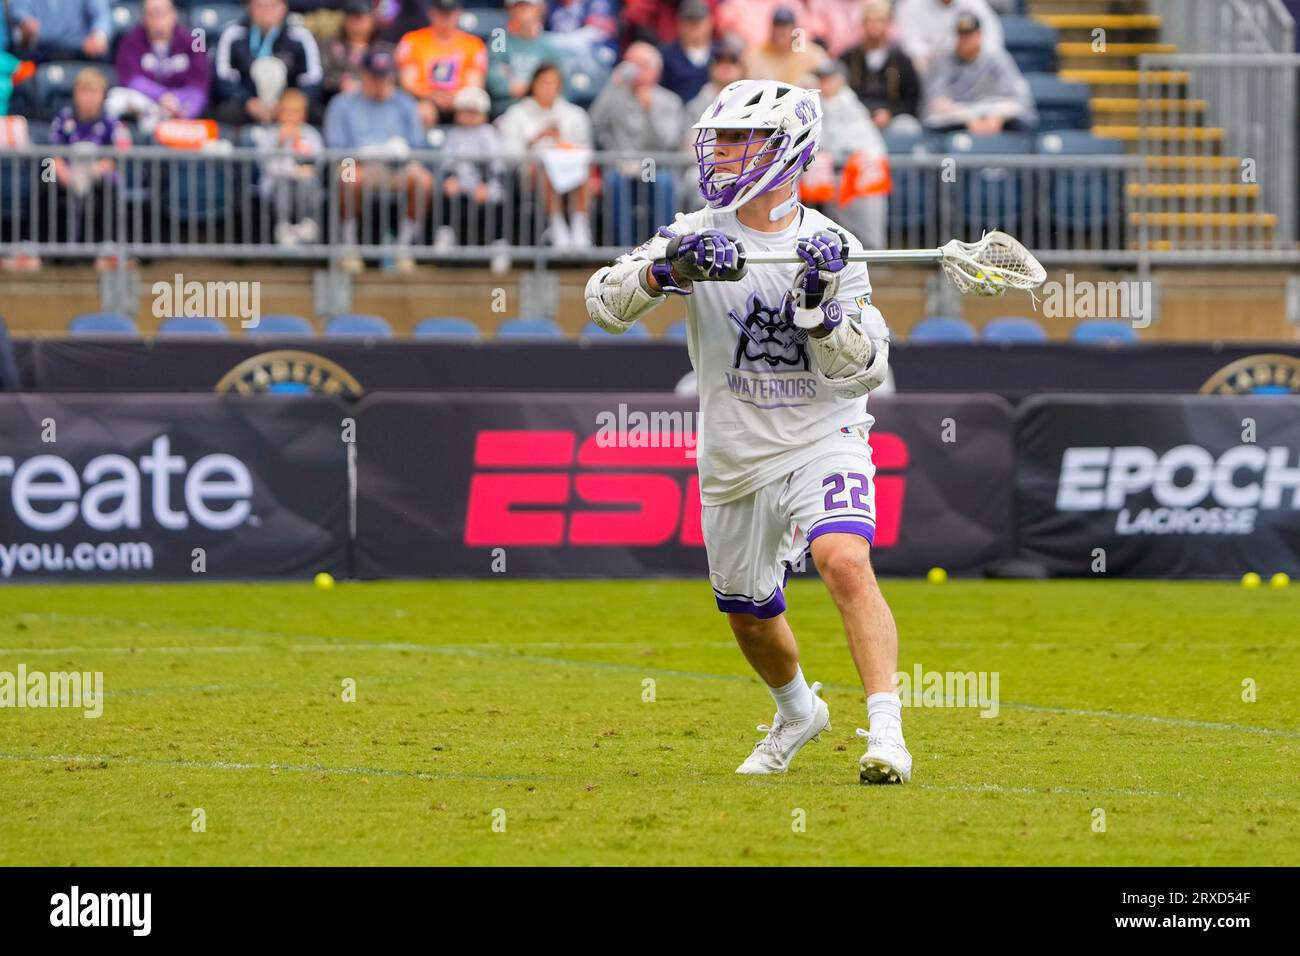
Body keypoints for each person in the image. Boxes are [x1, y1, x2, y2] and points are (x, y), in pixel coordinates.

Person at [584, 79, 910, 784]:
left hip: (822, 434)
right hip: (734, 454)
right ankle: (797, 711)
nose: (723, 153)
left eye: (739, 140)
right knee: (747, 614)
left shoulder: (834, 245)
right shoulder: (695, 231)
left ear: (784, 149)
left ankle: (886, 732)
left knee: (844, 560)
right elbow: (602, 305)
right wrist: (668, 270)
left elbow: (859, 372)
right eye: (719, 139)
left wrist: (821, 310)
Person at [323, 47, 431, 272]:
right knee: (349, 176)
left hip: (395, 169)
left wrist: (400, 151)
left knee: (423, 180)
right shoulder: (343, 103)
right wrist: (365, 152)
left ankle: (404, 246)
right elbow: (335, 145)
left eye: (385, 77)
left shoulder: (405, 103)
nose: (380, 83)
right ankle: (349, 245)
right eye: (374, 77)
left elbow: (418, 145)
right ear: (363, 74)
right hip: (357, 164)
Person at [589, 42, 684, 246]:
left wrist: (650, 111)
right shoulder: (615, 95)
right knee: (614, 182)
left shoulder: (669, 100)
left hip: (655, 167)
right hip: (622, 167)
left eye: (640, 64)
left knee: (665, 182)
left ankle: (660, 247)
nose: (633, 69)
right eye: (629, 62)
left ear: (655, 71)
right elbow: (595, 120)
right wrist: (613, 84)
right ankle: (625, 250)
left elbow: (668, 142)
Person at [496, 61, 593, 248]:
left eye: (553, 82)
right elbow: (511, 154)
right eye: (544, 82)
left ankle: (580, 227)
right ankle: (557, 228)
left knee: (582, 169)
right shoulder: (516, 113)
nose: (549, 87)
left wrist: (562, 144)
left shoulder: (574, 114)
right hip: (528, 173)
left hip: (570, 169)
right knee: (545, 166)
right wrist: (536, 140)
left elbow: (586, 150)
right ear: (534, 84)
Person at [214, 0, 325, 126]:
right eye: (260, 5)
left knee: (317, 112)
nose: (266, 11)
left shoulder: (300, 35)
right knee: (226, 112)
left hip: (288, 106)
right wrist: (248, 101)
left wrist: (288, 104)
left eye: (272, 6)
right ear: (249, 7)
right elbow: (223, 76)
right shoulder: (233, 34)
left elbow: (314, 78)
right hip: (247, 104)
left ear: (284, 7)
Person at [922, 13, 1035, 133]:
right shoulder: (943, 60)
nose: (964, 40)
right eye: (961, 35)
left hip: (994, 116)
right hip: (957, 119)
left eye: (969, 35)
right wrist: (968, 118)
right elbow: (935, 103)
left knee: (1021, 120)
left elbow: (1019, 98)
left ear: (979, 35)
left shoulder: (997, 59)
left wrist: (998, 116)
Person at [107, 0, 209, 133]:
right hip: (145, 104)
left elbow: (199, 85)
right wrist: (161, 96)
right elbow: (130, 79)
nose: (157, 19)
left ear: (174, 14)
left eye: (162, 13)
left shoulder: (196, 41)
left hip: (182, 105)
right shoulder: (130, 40)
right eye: (152, 14)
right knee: (115, 100)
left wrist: (181, 106)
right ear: (144, 18)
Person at [394, 0, 487, 128]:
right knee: (424, 111)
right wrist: (432, 96)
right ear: (432, 13)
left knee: (473, 112)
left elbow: (475, 84)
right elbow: (408, 82)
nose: (445, 18)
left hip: (461, 101)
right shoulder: (413, 40)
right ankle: (421, 146)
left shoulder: (473, 44)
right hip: (425, 100)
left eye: (449, 13)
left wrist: (455, 98)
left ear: (458, 14)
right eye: (441, 13)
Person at [250, 87, 324, 246]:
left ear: (304, 114)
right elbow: (261, 161)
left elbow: (318, 160)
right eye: (286, 111)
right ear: (278, 113)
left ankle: (307, 221)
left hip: (304, 182)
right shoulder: (270, 134)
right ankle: (283, 225)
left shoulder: (311, 134)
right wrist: (279, 142)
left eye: (295, 111)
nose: (291, 116)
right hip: (276, 183)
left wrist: (302, 148)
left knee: (307, 182)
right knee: (283, 183)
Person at [437, 84, 505, 248]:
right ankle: (445, 235)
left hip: (486, 184)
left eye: (474, 112)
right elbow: (447, 161)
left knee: (496, 200)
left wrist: (484, 184)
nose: (469, 116)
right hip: (461, 185)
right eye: (465, 111)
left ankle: (499, 243)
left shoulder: (488, 133)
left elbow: (495, 163)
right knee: (446, 194)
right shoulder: (453, 134)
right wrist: (450, 178)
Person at [840, 0, 922, 135]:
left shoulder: (901, 59)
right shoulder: (849, 58)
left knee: (908, 127)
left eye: (879, 21)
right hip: (857, 119)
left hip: (892, 119)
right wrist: (863, 113)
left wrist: (890, 112)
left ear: (888, 23)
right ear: (863, 24)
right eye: (869, 21)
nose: (874, 26)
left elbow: (912, 98)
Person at [485, 0, 563, 117]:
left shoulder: (549, 45)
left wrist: (518, 85)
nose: (521, 12)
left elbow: (558, 85)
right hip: (505, 109)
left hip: (541, 111)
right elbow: (495, 83)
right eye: (517, 7)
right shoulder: (499, 39)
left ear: (540, 9)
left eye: (527, 7)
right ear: (509, 10)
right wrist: (536, 88)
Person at [894, 0, 1003, 75]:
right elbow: (909, 42)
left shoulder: (973, 3)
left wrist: (971, 53)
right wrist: (929, 53)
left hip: (968, 63)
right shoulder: (913, 4)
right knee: (916, 63)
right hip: (931, 64)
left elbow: (992, 38)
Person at [321, 0, 389, 101]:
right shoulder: (329, 47)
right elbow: (320, 77)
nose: (356, 23)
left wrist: (366, 87)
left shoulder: (384, 51)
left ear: (372, 20)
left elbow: (393, 80)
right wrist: (340, 84)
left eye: (360, 18)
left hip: (377, 104)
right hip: (338, 102)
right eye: (351, 17)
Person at [743, 6, 827, 86]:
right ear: (772, 29)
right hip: (770, 98)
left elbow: (828, 74)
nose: (782, 31)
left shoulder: (810, 53)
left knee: (810, 80)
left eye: (786, 26)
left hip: (799, 99)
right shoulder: (758, 53)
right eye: (778, 26)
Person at [8, 0, 110, 63]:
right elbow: (20, 13)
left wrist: (98, 35)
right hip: (41, 52)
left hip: (80, 52)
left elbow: (101, 15)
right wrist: (26, 23)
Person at [659, 0, 715, 106]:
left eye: (699, 20)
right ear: (679, 23)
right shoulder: (666, 55)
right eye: (689, 21)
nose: (694, 26)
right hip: (678, 115)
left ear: (710, 22)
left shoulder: (722, 54)